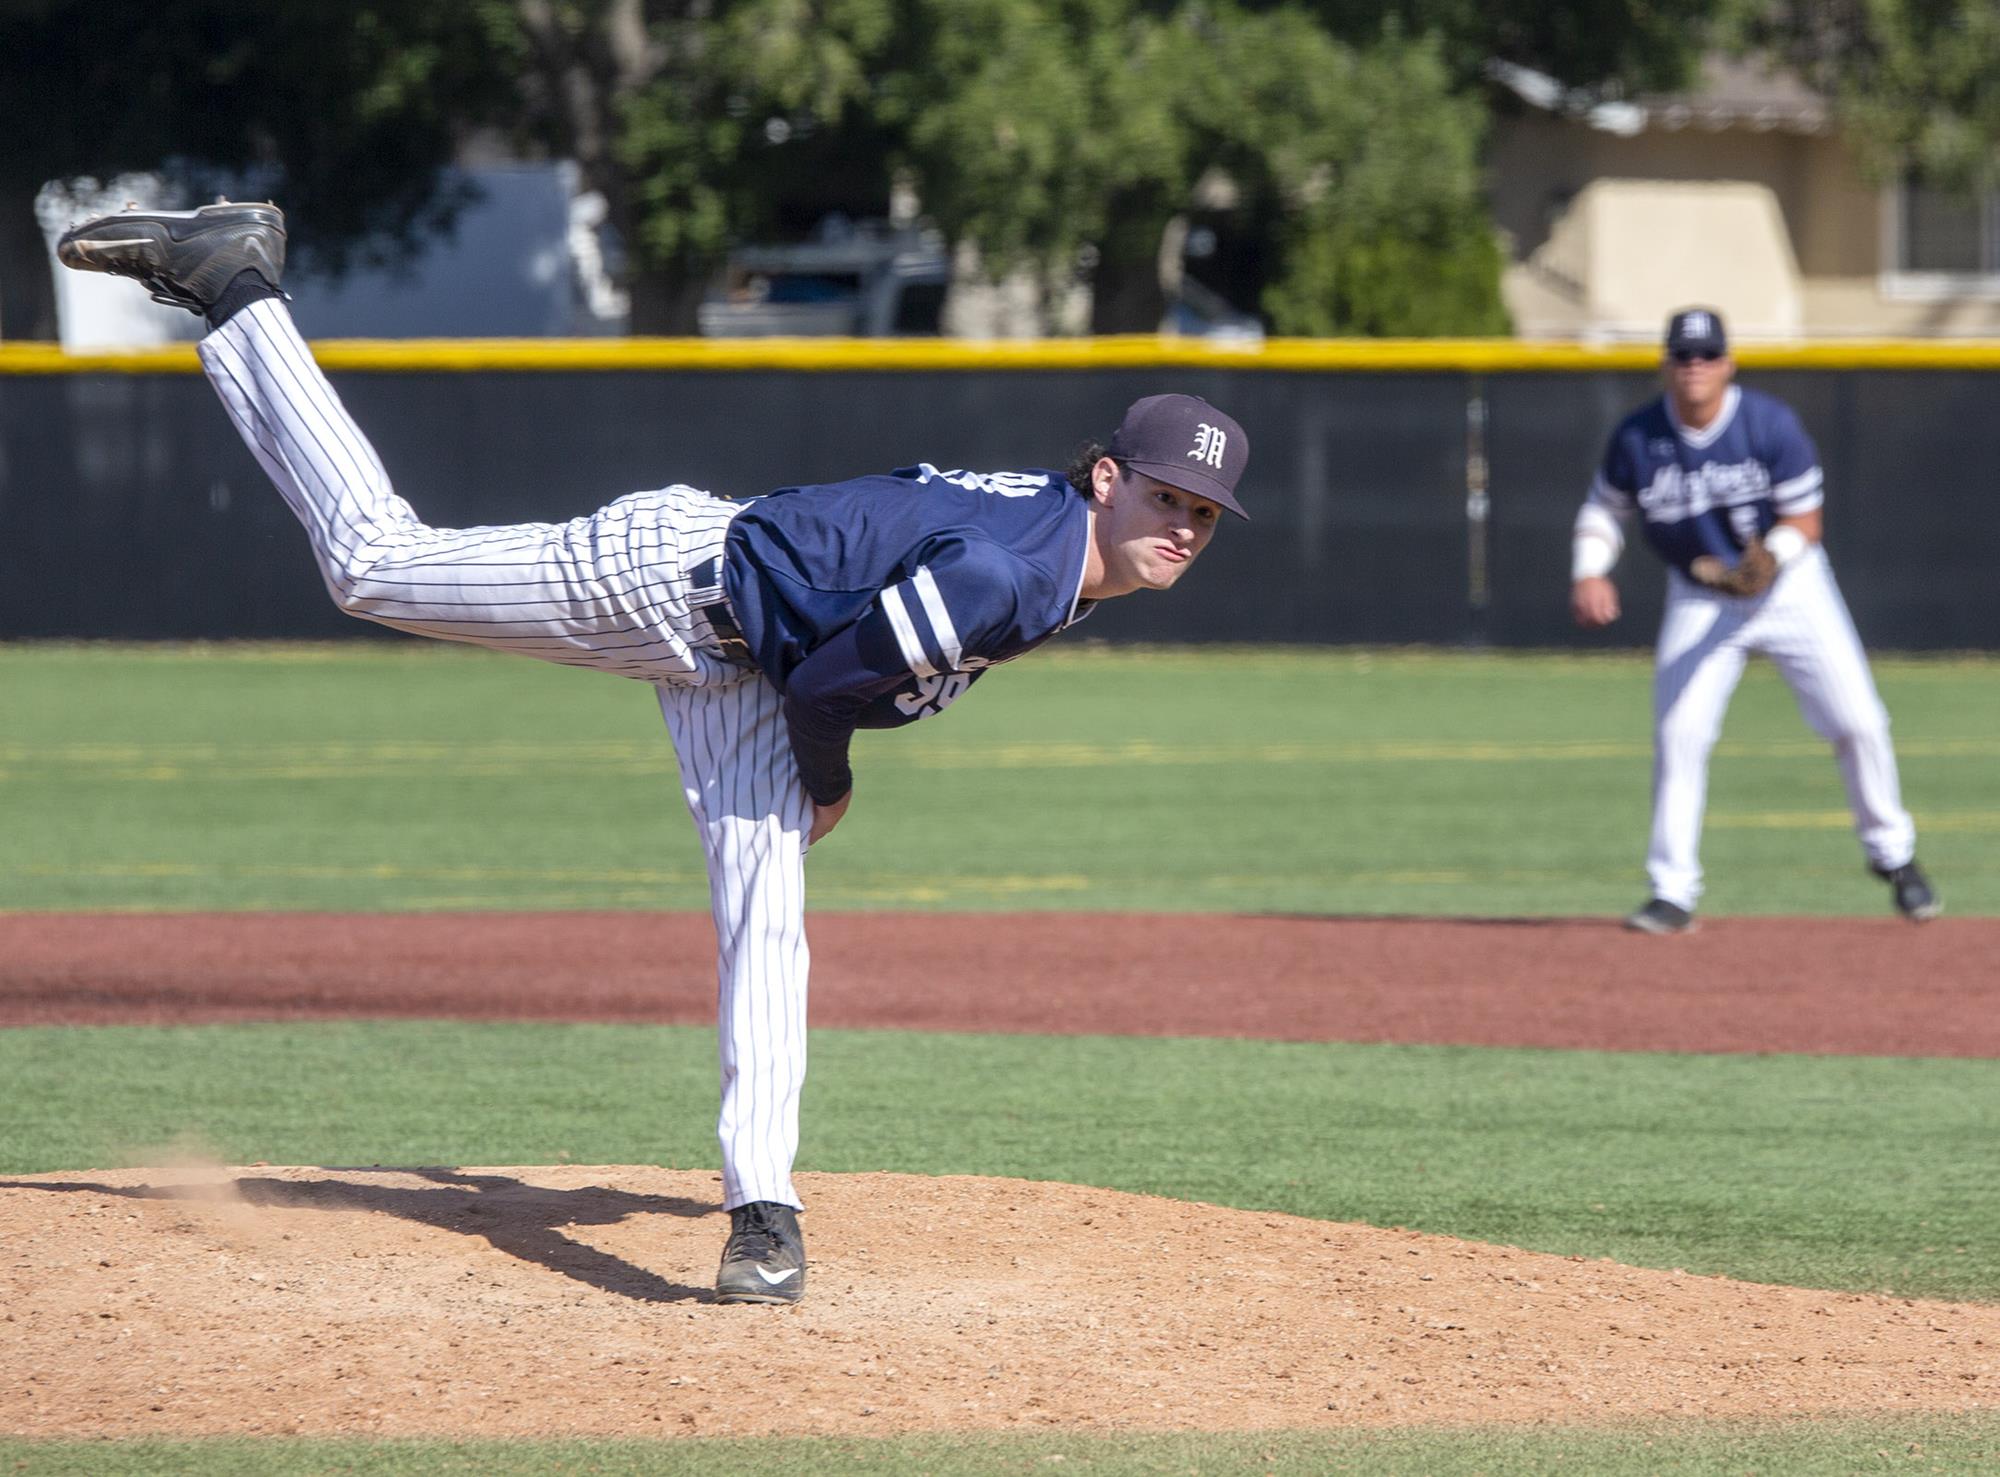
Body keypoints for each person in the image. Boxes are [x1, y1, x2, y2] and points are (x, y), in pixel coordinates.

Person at [57, 200, 1251, 1303]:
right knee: (373, 563)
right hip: (665, 584)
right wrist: (828, 780)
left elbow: (842, 644)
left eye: (1200, 516)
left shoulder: (1056, 547)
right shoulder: (1017, 568)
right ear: (1105, 477)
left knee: (765, 909)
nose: (1182, 529)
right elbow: (834, 680)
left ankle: (763, 1216)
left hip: (750, 659)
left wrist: (817, 761)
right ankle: (235, 283)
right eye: (1163, 499)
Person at [1570, 306, 1939, 934]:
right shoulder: (1638, 437)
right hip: (1701, 597)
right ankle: (1672, 891)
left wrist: (1772, 557)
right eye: (1683, 357)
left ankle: (1894, 857)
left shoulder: (1768, 425)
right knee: (1680, 734)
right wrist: (1590, 570)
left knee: (1858, 721)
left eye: (1707, 355)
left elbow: (1806, 521)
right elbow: (1604, 510)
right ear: (1665, 366)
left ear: (1728, 363)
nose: (1695, 368)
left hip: (1790, 592)